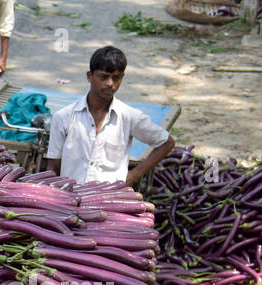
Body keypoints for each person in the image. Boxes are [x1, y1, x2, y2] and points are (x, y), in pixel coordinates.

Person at [46, 46, 175, 188]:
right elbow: (53, 166)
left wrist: (134, 175)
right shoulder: (64, 117)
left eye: (116, 78)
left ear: (122, 78)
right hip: (70, 197)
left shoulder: (129, 117)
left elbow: (166, 143)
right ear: (90, 76)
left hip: (110, 199)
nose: (110, 84)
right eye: (103, 77)